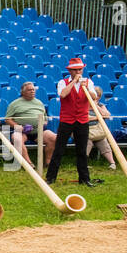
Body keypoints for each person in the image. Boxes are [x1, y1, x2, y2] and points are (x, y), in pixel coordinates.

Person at [46, 57, 103, 188]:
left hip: (82, 120)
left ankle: (84, 179)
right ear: (70, 71)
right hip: (66, 120)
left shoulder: (88, 82)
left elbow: (94, 97)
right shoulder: (63, 82)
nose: (78, 72)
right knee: (59, 150)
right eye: (75, 70)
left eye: (80, 69)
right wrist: (74, 82)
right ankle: (50, 178)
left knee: (82, 151)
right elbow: (63, 94)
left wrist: (86, 89)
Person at [4, 82, 56, 161]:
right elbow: (7, 119)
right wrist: (18, 127)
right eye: (29, 90)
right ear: (23, 92)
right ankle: (29, 164)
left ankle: (48, 163)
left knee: (53, 138)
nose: (32, 91)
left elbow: (45, 118)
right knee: (17, 139)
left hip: (38, 131)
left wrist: (43, 122)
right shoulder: (14, 104)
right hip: (22, 131)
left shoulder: (39, 103)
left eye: (33, 89)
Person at [86, 86, 117, 170]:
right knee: (87, 141)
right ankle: (83, 163)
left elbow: (107, 114)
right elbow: (84, 118)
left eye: (98, 97)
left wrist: (97, 106)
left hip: (97, 130)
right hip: (84, 129)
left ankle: (112, 163)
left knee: (102, 140)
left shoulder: (100, 105)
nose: (96, 98)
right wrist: (98, 117)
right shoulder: (83, 105)